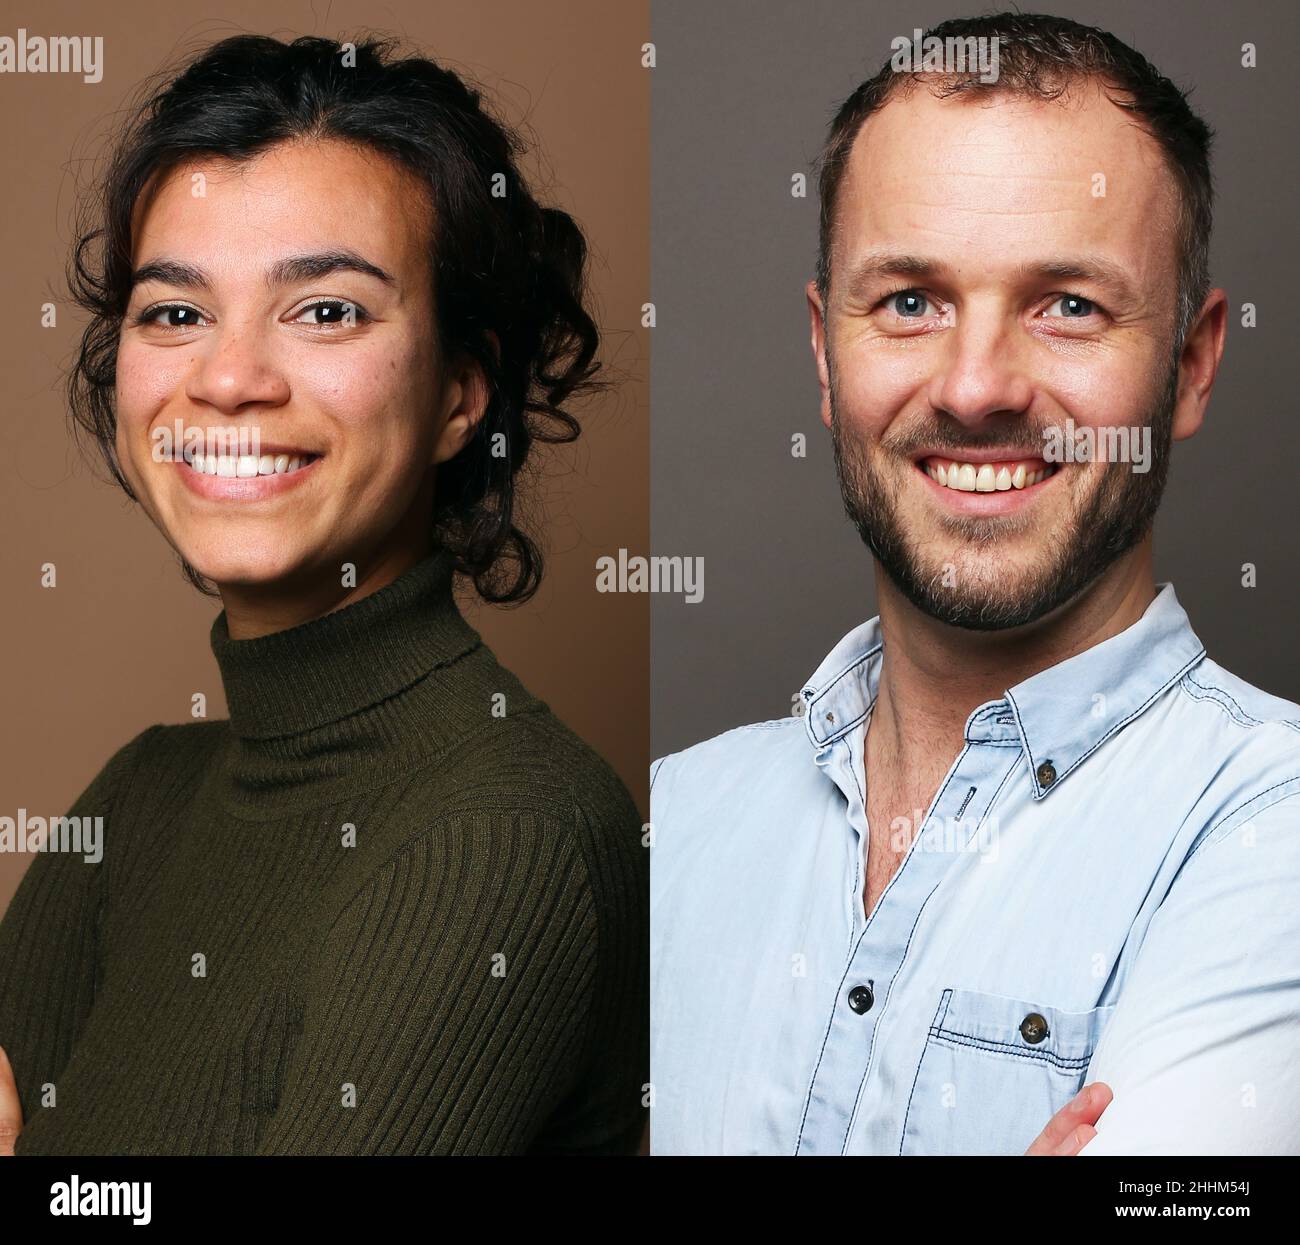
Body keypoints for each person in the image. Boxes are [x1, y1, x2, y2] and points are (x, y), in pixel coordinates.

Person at [650, 12, 1300, 1155]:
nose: (976, 387)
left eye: (1069, 306)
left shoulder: (1274, 835)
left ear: (1191, 365)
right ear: (822, 351)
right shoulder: (674, 826)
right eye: (909, 301)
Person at [0, 34, 646, 1156]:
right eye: (175, 312)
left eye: (327, 310)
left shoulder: (501, 835)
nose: (230, 377)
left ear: (459, 393)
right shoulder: (137, 799)